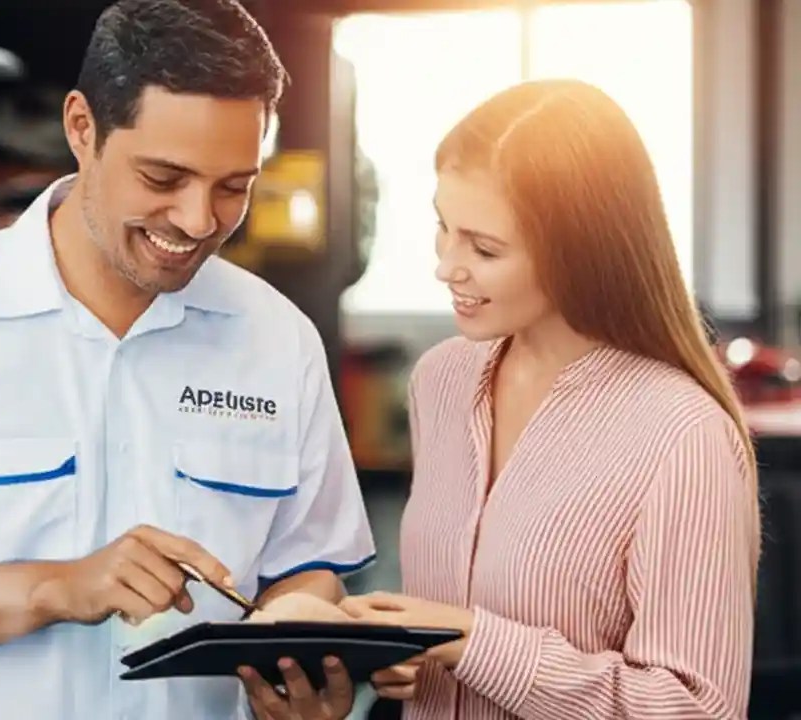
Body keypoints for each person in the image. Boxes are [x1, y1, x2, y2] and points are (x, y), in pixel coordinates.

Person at [0, 1, 375, 718]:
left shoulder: (278, 341)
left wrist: (294, 649)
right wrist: (57, 587)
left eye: (233, 187)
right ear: (82, 127)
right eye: (162, 179)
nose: (198, 220)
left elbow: (308, 568)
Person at [245, 79, 761, 719]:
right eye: (443, 228)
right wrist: (404, 657)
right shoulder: (444, 380)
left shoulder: (681, 433)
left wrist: (470, 641)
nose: (447, 266)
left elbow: (697, 709)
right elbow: (452, 616)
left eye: (484, 248)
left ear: (580, 251)